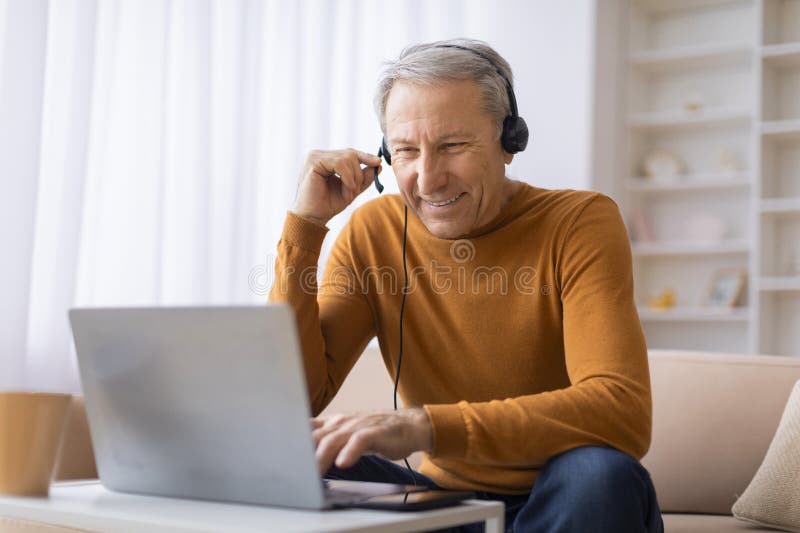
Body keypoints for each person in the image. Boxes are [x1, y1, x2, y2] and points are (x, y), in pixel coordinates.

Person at [269, 38, 663, 533]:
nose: (428, 179)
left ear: (509, 141)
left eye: (453, 146)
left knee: (599, 474)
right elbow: (291, 402)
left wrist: (426, 425)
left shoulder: (579, 222)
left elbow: (621, 410)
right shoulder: (374, 233)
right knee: (291, 455)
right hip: (444, 502)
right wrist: (304, 227)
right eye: (407, 151)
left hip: (562, 495)